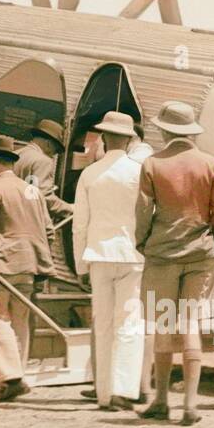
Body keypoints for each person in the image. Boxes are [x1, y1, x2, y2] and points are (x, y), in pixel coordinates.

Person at [134, 101, 214, 426]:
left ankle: (162, 401)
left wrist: (143, 243)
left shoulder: (152, 164)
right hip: (201, 255)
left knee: (164, 324)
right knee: (191, 323)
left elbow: (143, 212)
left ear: (165, 130)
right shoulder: (210, 165)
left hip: (162, 254)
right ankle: (191, 405)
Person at [72, 112, 145, 411]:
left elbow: (80, 224)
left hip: (99, 255)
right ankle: (123, 390)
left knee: (101, 324)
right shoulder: (140, 172)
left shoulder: (89, 175)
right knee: (128, 323)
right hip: (131, 255)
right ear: (129, 140)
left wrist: (80, 264)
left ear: (103, 138)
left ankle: (103, 393)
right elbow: (146, 216)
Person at [0, 136, 51, 402]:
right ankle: (18, 374)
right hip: (30, 262)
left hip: (4, 260)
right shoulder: (31, 190)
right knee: (20, 320)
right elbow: (47, 229)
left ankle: (12, 376)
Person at [12, 118, 73, 230]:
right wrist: (70, 208)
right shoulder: (43, 161)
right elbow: (44, 196)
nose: (54, 155)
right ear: (49, 144)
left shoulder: (15, 155)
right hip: (26, 226)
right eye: (55, 150)